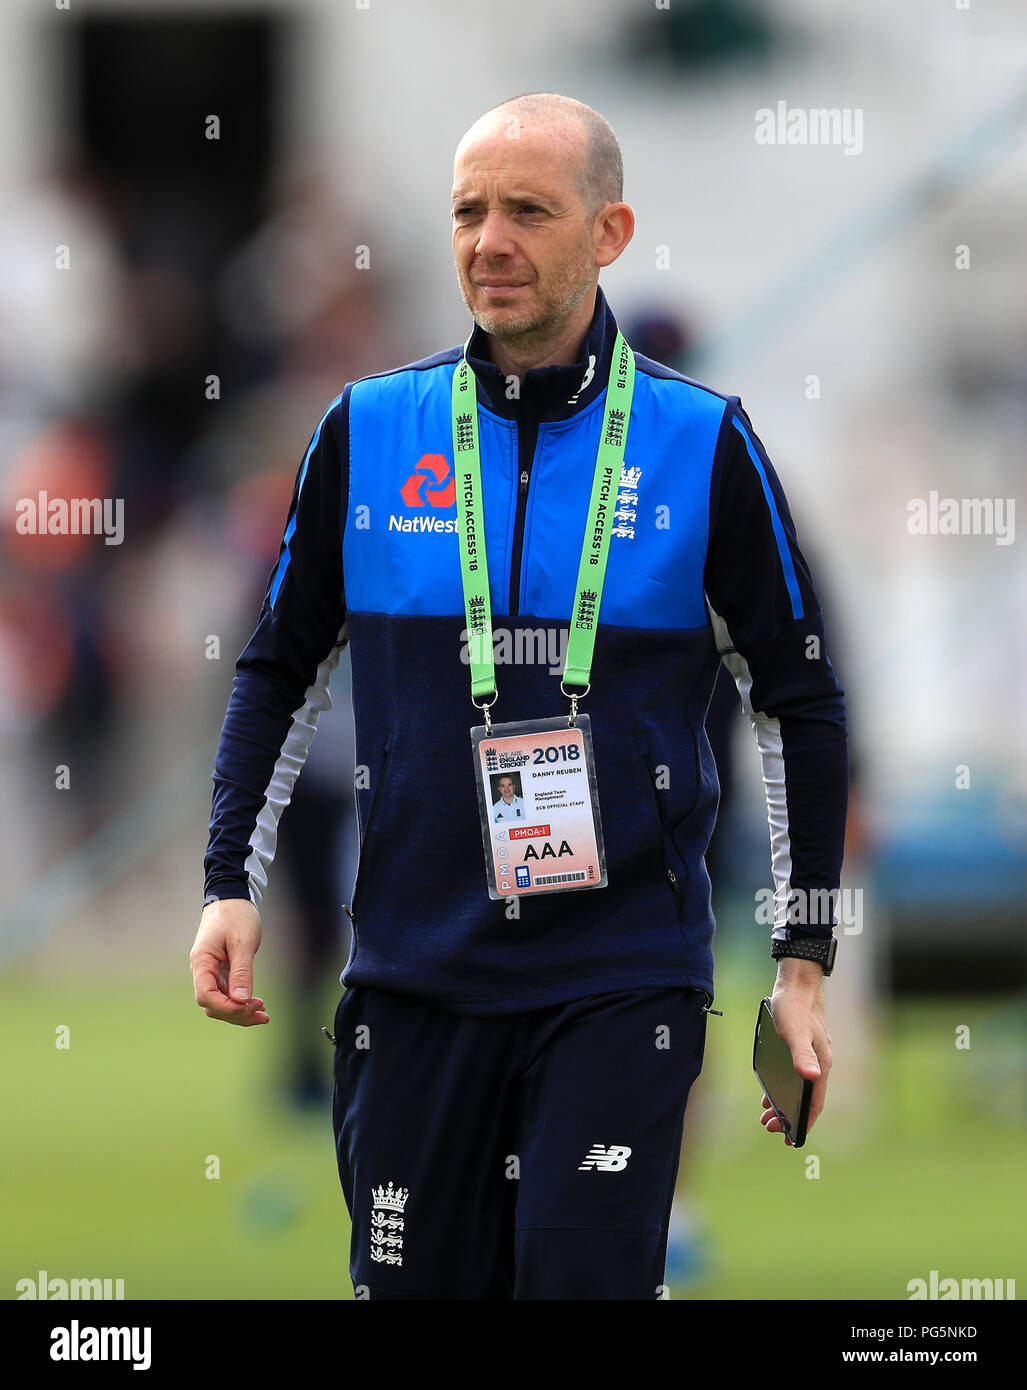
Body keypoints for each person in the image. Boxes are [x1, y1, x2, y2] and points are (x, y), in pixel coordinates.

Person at [190, 91, 847, 1300]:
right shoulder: (369, 429)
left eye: (528, 211)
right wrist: (231, 880)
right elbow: (278, 668)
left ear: (607, 231)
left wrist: (803, 957)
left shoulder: (702, 442)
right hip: (409, 979)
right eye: (467, 212)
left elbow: (798, 698)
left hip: (620, 979)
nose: (489, 241)